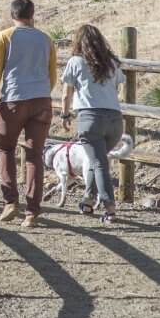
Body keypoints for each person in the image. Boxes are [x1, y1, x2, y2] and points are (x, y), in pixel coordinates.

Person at [0, 0, 57, 227]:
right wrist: (41, 93)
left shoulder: (4, 37)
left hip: (13, 100)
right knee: (35, 156)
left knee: (6, 149)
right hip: (42, 100)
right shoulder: (46, 39)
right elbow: (52, 75)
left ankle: (10, 201)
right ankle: (32, 211)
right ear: (33, 15)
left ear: (12, 15)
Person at [60, 24, 124, 223]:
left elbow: (66, 93)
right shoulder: (113, 63)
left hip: (90, 118)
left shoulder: (75, 62)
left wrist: (64, 115)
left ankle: (109, 207)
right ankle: (88, 200)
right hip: (115, 120)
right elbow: (118, 87)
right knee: (96, 159)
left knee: (98, 162)